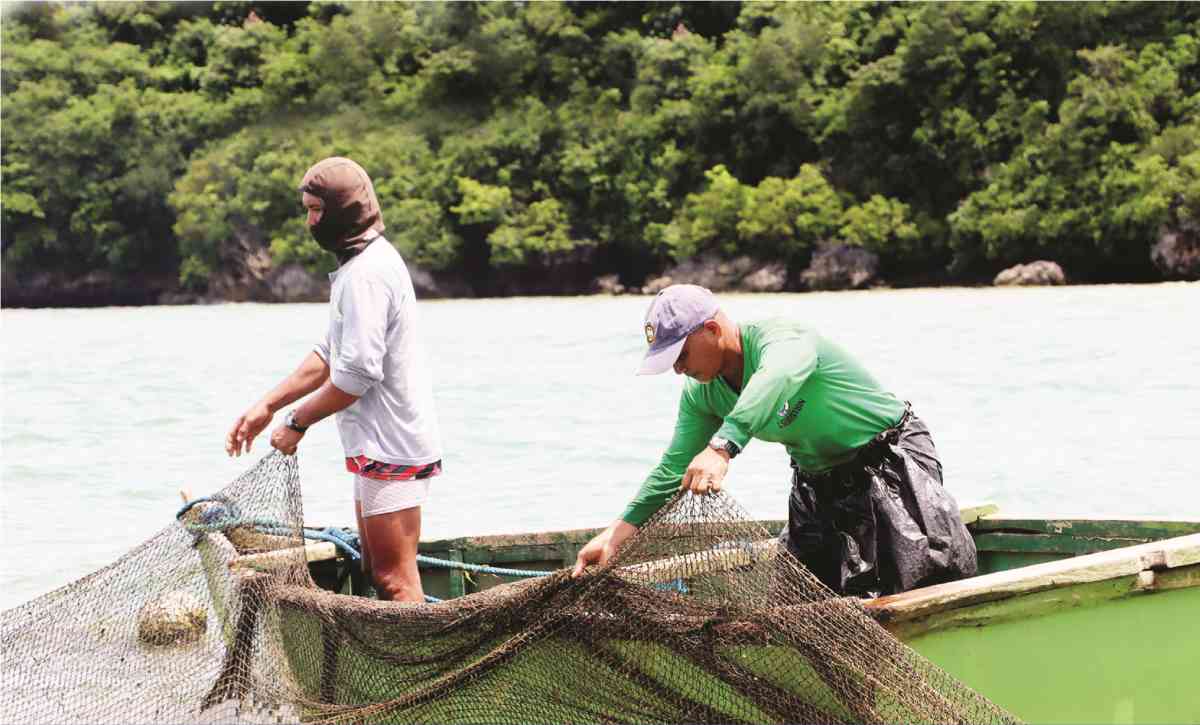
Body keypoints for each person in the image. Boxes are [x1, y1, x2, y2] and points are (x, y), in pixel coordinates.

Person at [572, 284, 977, 597]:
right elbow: (673, 467)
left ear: (712, 330)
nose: (678, 370)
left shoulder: (783, 339)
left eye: (680, 355)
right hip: (819, 485)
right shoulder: (703, 392)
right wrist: (616, 536)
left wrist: (722, 447)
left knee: (919, 570)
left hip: (891, 461)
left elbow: (776, 379)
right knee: (801, 597)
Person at [225, 156, 443, 603]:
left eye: (316, 211)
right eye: (307, 210)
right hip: (374, 444)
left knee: (395, 579)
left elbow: (358, 374)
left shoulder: (366, 274)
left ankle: (416, 671)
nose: (309, 221)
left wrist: (298, 422)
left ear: (345, 209)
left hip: (392, 443)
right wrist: (266, 405)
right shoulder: (355, 266)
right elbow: (329, 356)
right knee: (375, 569)